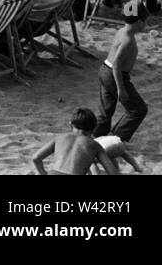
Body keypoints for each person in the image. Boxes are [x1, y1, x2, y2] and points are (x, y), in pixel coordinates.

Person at [95, 11, 149, 141]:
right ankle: (116, 139)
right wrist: (121, 88)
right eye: (145, 21)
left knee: (105, 111)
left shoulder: (122, 31)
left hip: (104, 70)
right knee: (138, 110)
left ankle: (94, 136)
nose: (146, 25)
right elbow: (117, 65)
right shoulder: (128, 40)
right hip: (115, 75)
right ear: (139, 22)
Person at [31, 109, 119, 175]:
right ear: (93, 128)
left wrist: (43, 173)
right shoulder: (94, 145)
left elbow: (36, 158)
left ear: (71, 124)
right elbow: (113, 172)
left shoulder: (60, 137)